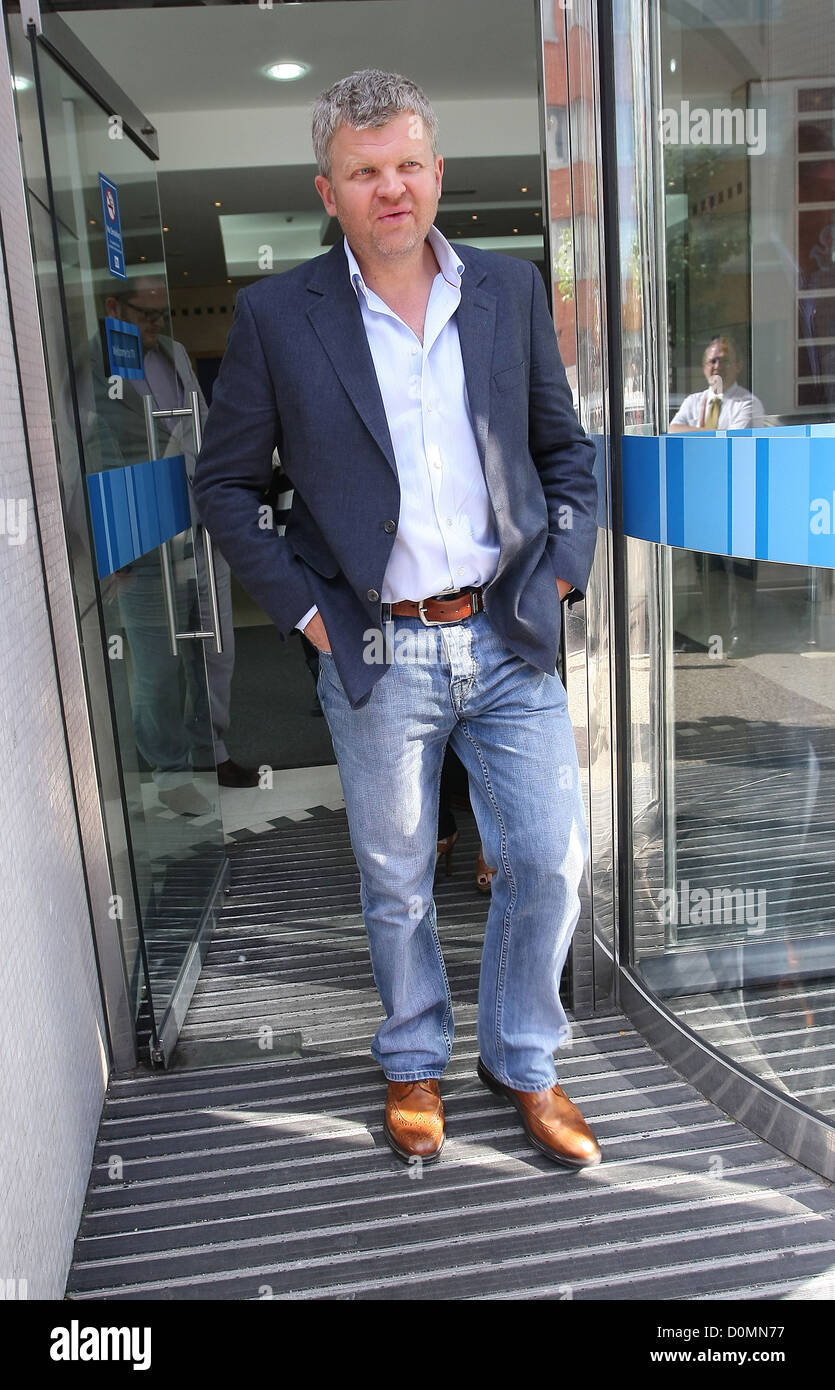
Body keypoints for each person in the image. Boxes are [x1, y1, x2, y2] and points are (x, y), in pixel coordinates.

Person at [193, 69, 601, 1168]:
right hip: (373, 645)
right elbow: (225, 486)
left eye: (409, 164)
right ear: (328, 190)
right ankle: (412, 1053)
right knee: (395, 872)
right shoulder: (280, 317)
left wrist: (560, 571)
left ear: (436, 171)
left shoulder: (510, 292)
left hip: (509, 633)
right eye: (365, 172)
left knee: (551, 858)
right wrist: (310, 618)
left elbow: (565, 451)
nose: (392, 189)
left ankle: (522, 1057)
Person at [87, 277, 259, 802]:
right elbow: (84, 460)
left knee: (214, 649)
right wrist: (104, 547)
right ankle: (169, 773)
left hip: (201, 530)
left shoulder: (176, 354)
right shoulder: (90, 370)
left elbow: (199, 428)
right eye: (147, 315)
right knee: (158, 665)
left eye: (162, 315)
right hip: (142, 543)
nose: (158, 325)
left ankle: (212, 750)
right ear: (113, 308)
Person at [669, 335, 765, 432]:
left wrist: (692, 432)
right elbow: (673, 430)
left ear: (738, 366)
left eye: (724, 361)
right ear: (704, 367)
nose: (717, 366)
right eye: (713, 361)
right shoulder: (692, 402)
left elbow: (731, 441)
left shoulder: (748, 403)